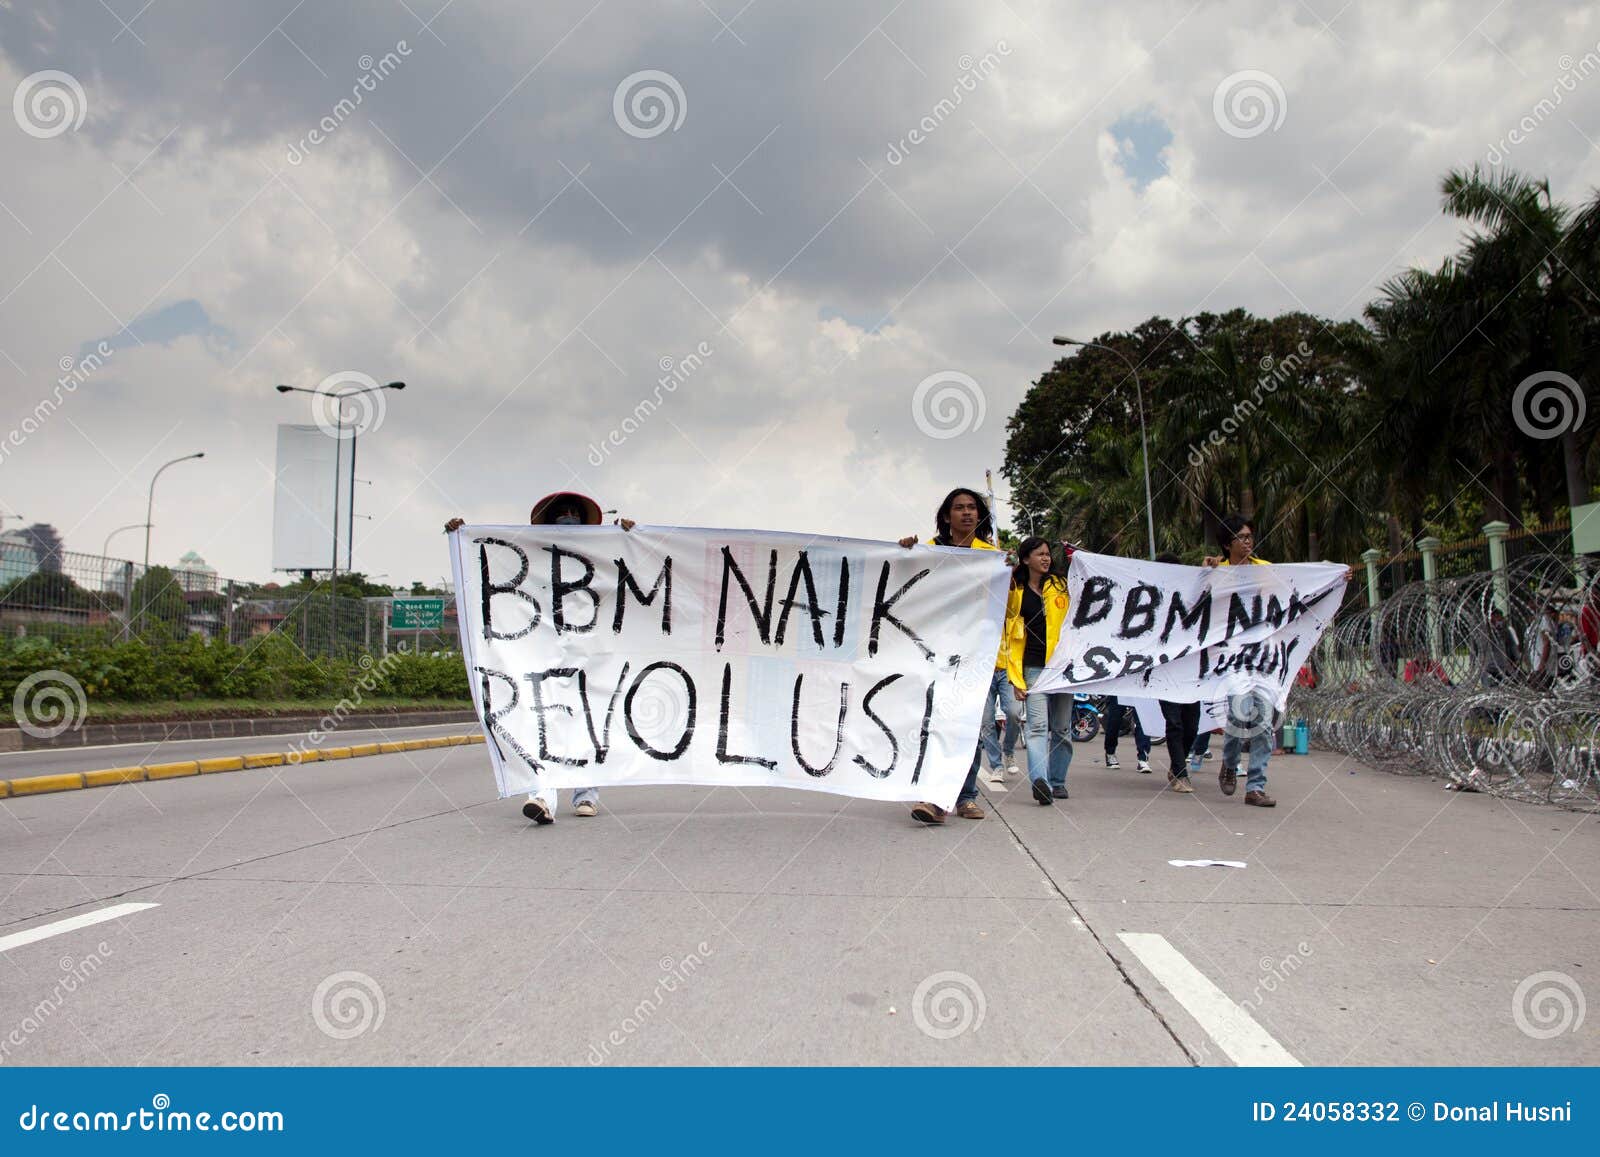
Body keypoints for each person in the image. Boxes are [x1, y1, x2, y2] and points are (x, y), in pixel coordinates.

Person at [445, 491, 633, 825]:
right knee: (542, 722)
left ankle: (586, 793)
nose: (569, 517)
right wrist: (462, 537)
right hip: (541, 653)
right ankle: (543, 796)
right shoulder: (531, 555)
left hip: (587, 653)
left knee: (584, 723)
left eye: (574, 512)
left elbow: (629, 577)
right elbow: (490, 569)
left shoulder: (601, 553)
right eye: (562, 513)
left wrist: (627, 538)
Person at [898, 488, 1001, 825]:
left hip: (977, 656)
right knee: (934, 723)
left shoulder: (994, 557)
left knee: (970, 725)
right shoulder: (929, 551)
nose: (967, 513)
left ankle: (965, 797)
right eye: (959, 508)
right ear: (946, 516)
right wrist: (903, 554)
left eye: (972, 508)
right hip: (934, 653)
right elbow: (904, 588)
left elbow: (1007, 608)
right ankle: (934, 795)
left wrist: (1011, 573)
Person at [1202, 514, 1277, 807]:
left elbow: (1298, 588)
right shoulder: (1216, 571)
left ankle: (1255, 786)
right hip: (1231, 655)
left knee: (1264, 721)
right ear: (1227, 543)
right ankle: (1230, 763)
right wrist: (1205, 571)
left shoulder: (1267, 570)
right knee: (1237, 712)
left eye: (1250, 536)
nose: (1248, 542)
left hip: (1263, 655)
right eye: (1241, 538)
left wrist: (1335, 579)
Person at [1003, 536, 1073, 804]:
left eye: (1047, 554)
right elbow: (1009, 632)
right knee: (1036, 728)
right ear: (1025, 559)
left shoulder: (1060, 586)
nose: (1045, 558)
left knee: (1062, 728)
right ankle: (1040, 781)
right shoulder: (1015, 590)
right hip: (1032, 669)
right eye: (1039, 554)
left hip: (1062, 670)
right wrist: (1016, 678)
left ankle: (1058, 781)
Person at [1153, 552, 1198, 794]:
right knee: (1175, 722)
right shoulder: (1151, 599)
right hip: (1165, 671)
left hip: (1192, 671)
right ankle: (1181, 774)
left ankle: (1175, 765)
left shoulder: (1193, 594)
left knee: (1191, 725)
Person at [1102, 696, 1152, 772]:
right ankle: (1110, 753)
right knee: (1114, 719)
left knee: (1142, 720)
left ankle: (1143, 759)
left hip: (1140, 688)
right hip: (1120, 688)